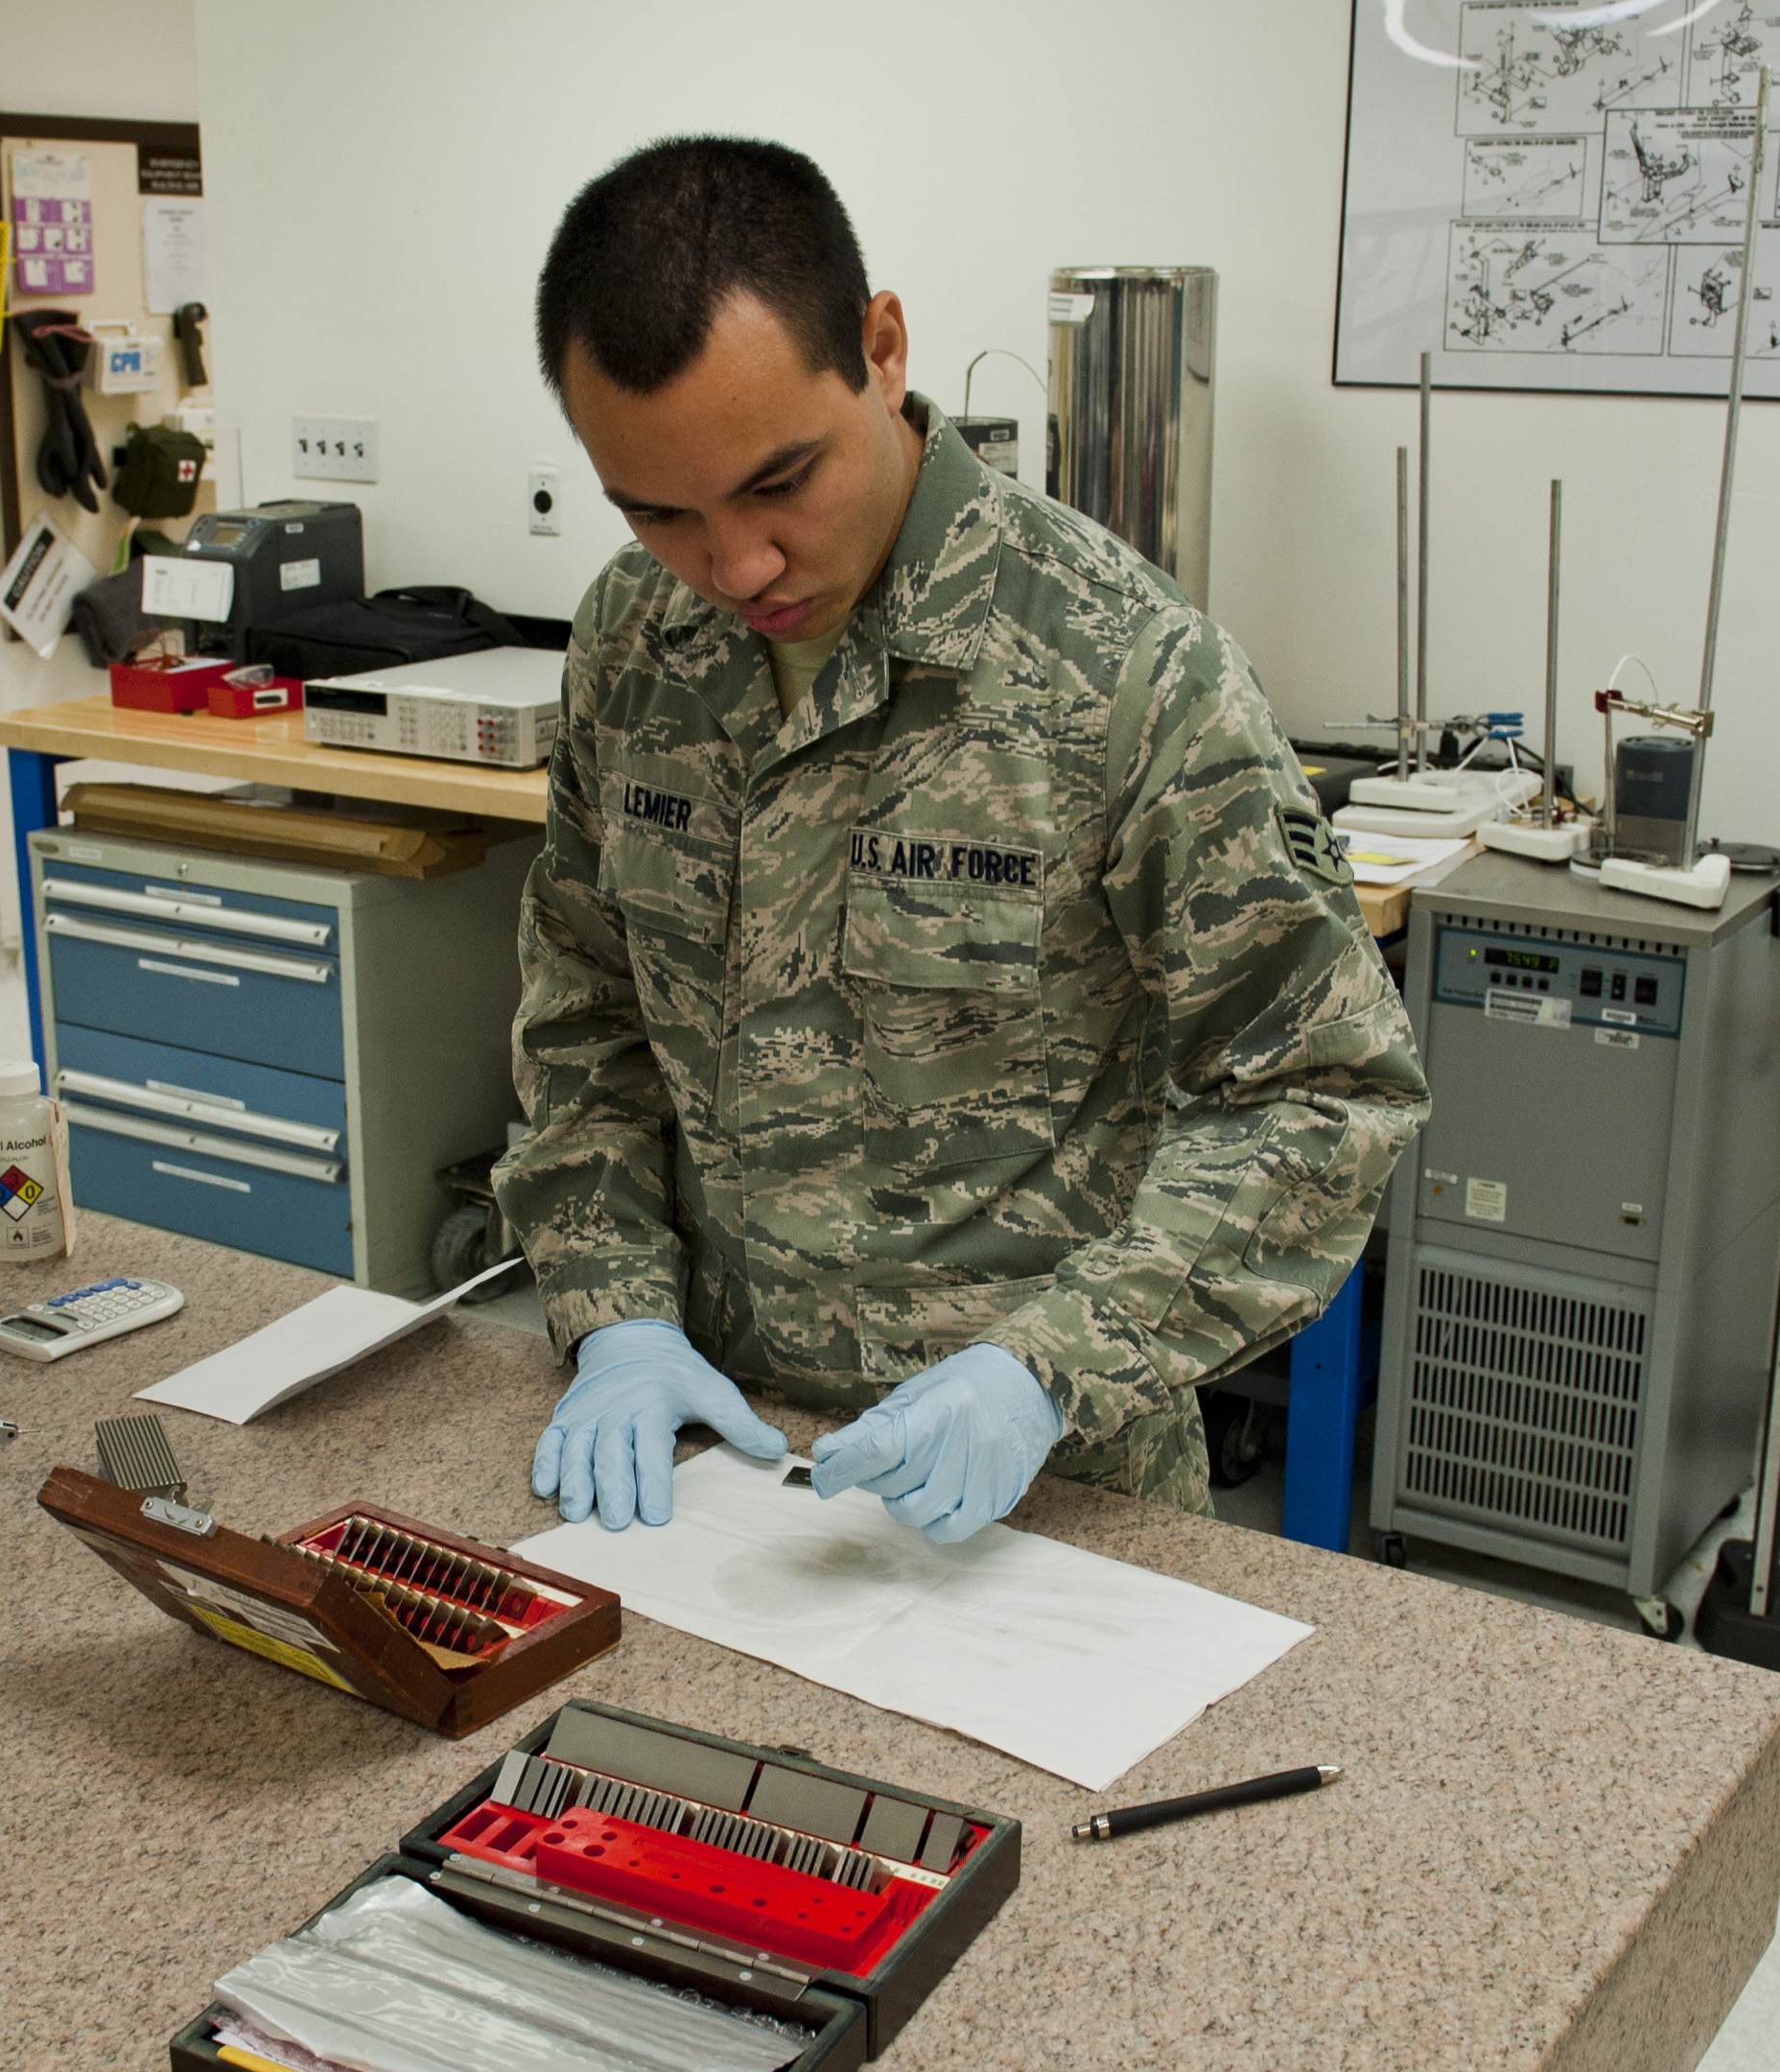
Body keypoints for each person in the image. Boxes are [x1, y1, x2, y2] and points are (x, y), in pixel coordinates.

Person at [494, 136, 1427, 1542]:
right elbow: (587, 1016)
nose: (734, 565)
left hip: (1046, 1490)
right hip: (712, 1465)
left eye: (779, 482)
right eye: (660, 511)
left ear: (878, 349)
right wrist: (616, 1315)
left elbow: (1318, 1095)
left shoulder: (1120, 673)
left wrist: (1040, 1370)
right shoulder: (634, 640)